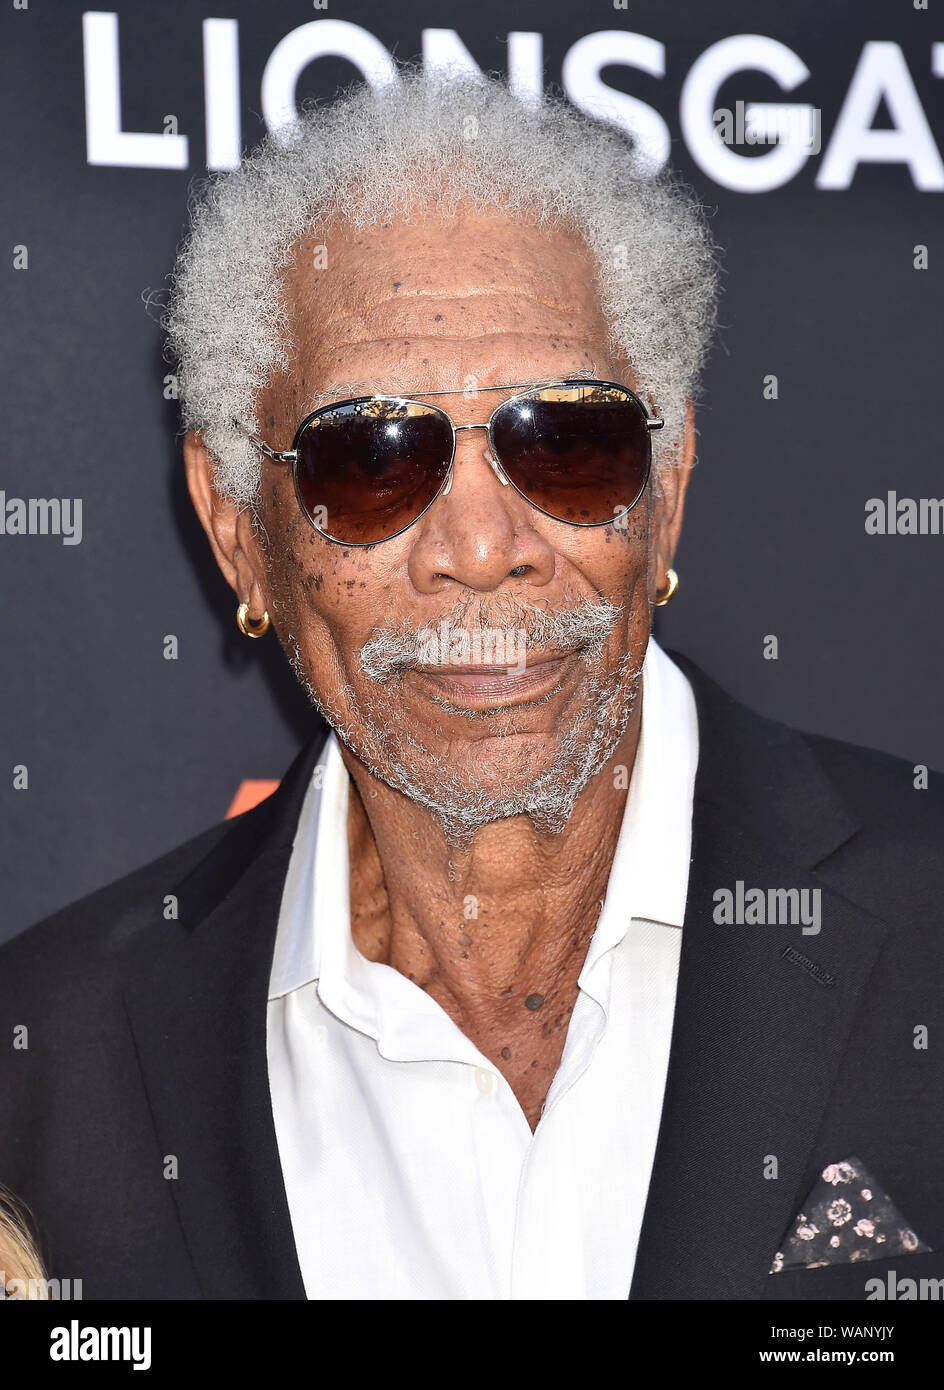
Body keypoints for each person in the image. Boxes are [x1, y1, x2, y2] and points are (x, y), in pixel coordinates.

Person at [1, 65, 941, 1301]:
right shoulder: (47, 1070)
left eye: (566, 438)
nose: (482, 548)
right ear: (240, 534)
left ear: (667, 490)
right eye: (371, 461)